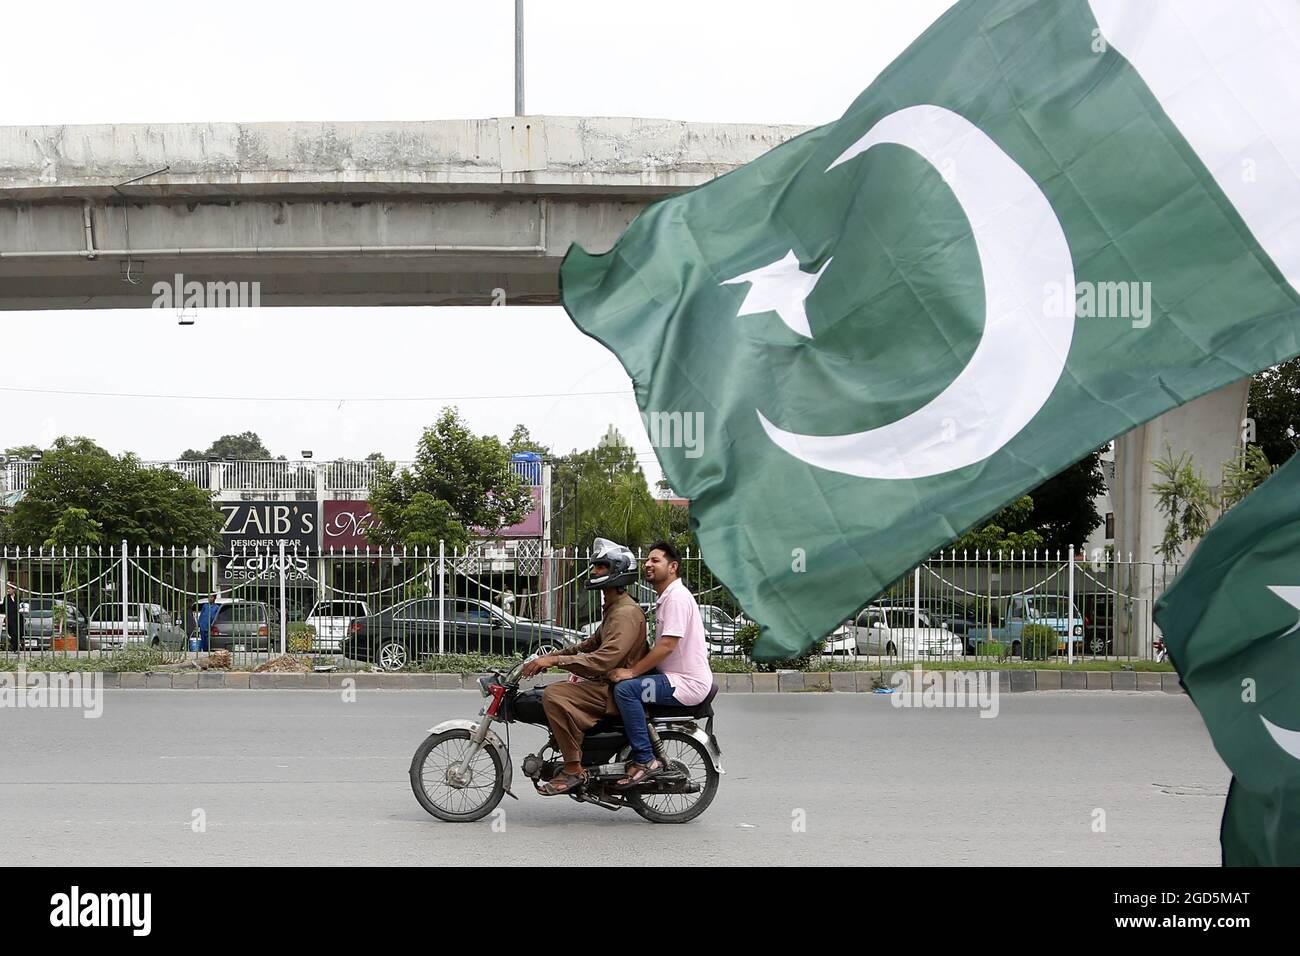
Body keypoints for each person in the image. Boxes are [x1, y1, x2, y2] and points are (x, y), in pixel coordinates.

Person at [520, 538, 647, 795]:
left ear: (617, 571)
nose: (594, 572)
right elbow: (588, 646)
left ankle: (573, 768)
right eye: (595, 566)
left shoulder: (625, 614)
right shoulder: (615, 609)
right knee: (553, 691)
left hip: (613, 689)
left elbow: (604, 660)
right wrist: (550, 657)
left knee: (554, 695)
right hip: (606, 684)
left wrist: (554, 661)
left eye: (601, 566)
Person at [609, 540, 712, 788]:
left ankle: (645, 760)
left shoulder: (676, 598)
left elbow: (667, 646)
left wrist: (632, 671)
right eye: (647, 560)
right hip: (675, 677)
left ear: (673, 566)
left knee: (626, 689)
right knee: (623, 683)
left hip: (685, 683)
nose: (648, 565)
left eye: (655, 560)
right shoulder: (668, 597)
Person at [5, 583, 22, 652]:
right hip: (11, 618)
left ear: (13, 590)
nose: (8, 590)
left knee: (19, 633)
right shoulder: (6, 598)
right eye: (8, 589)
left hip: (18, 618)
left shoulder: (18, 597)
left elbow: (21, 605)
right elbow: (4, 608)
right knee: (13, 633)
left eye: (9, 589)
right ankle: (15, 648)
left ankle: (14, 645)